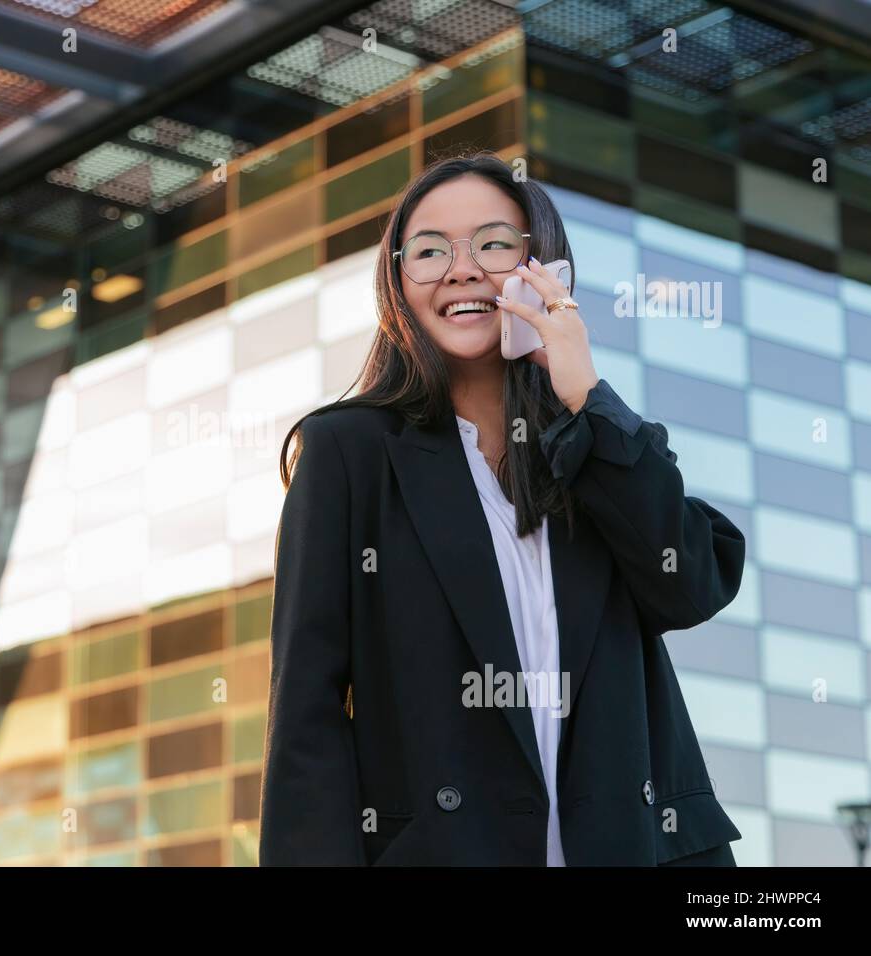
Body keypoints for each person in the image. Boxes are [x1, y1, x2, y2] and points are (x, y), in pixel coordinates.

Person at [258, 152, 745, 866]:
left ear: (544, 269)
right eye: (429, 251)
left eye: (492, 244)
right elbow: (306, 715)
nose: (460, 269)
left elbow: (691, 584)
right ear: (398, 283)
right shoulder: (348, 454)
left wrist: (586, 395)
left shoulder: (598, 446)